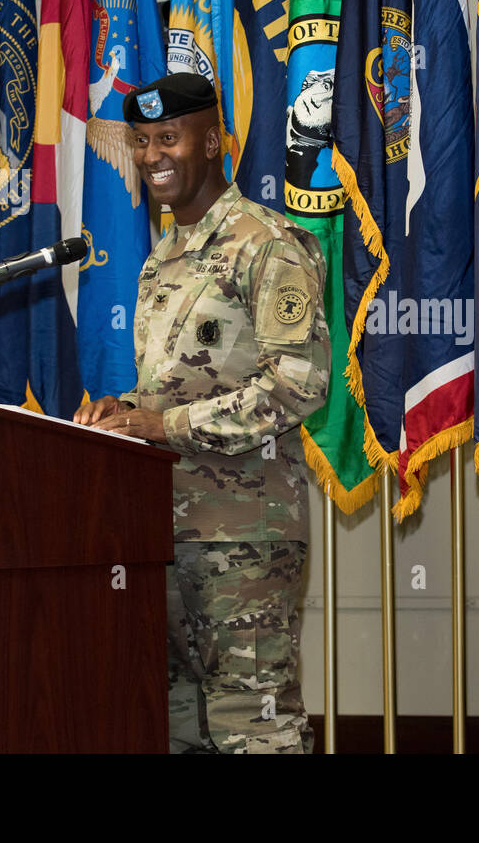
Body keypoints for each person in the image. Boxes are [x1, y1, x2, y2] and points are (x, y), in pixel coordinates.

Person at [73, 73, 330, 753]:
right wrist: (123, 410)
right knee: (178, 726)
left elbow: (300, 384)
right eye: (143, 140)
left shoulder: (266, 243)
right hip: (164, 534)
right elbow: (177, 388)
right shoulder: (162, 260)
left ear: (211, 140)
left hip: (246, 540)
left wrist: (163, 426)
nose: (154, 153)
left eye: (170, 136)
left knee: (255, 726)